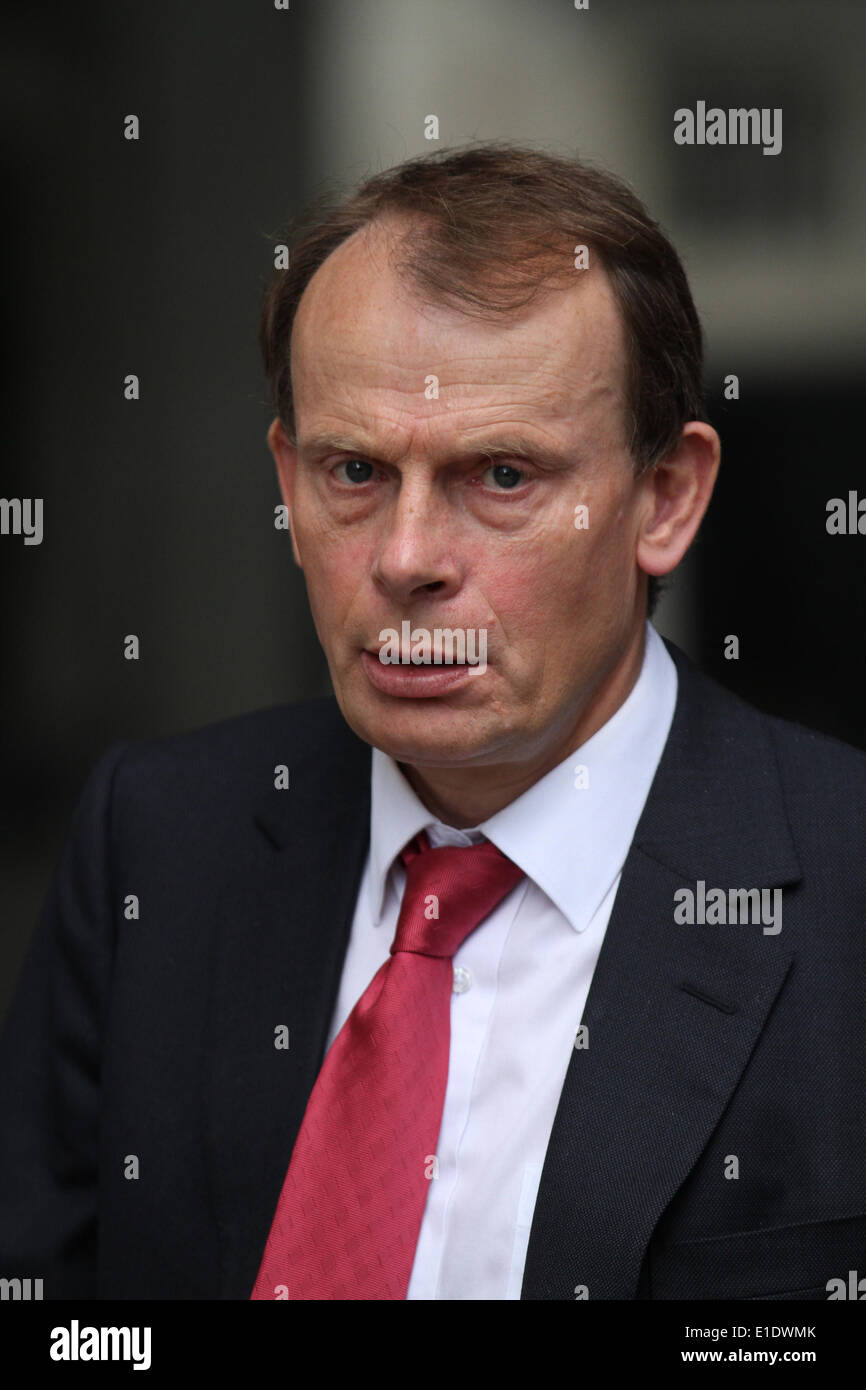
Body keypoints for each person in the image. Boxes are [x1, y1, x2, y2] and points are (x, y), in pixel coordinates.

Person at [1, 144, 864, 1301]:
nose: (405, 560)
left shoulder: (843, 887)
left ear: (665, 500)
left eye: (500, 475)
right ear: (286, 482)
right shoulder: (157, 838)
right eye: (353, 470)